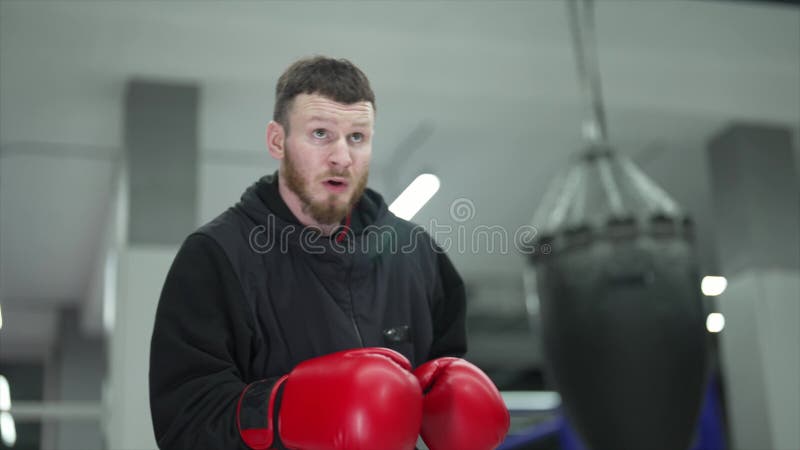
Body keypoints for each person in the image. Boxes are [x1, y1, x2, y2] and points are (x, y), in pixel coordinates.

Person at [149, 56, 509, 450]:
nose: (342, 157)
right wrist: (292, 409)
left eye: (357, 137)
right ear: (276, 140)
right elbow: (186, 423)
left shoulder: (418, 256)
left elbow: (444, 388)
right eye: (321, 133)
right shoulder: (217, 257)